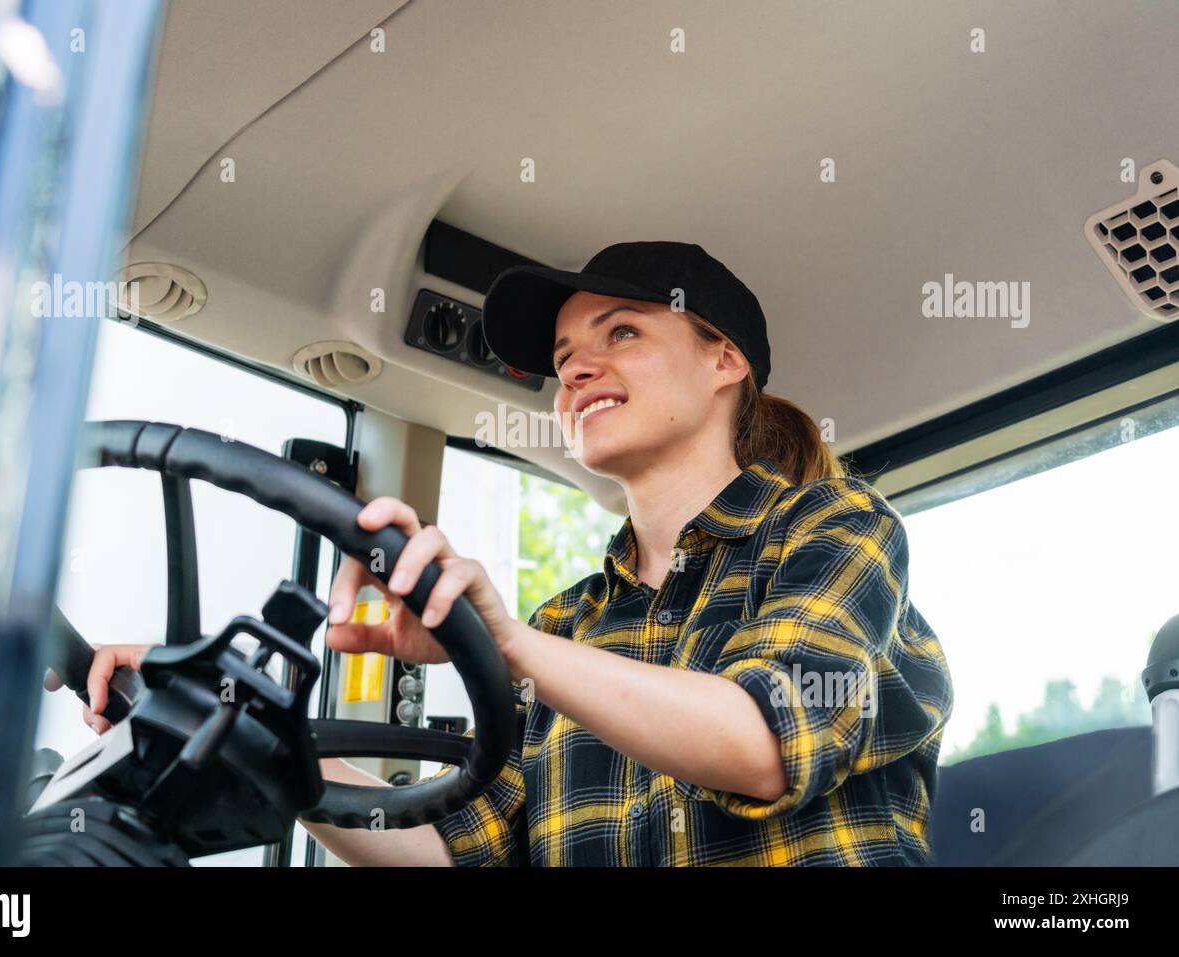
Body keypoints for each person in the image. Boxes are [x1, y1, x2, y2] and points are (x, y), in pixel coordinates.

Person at [71, 241, 953, 866]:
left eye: (621, 334)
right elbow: (448, 850)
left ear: (723, 359)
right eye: (566, 357)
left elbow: (768, 737)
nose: (576, 370)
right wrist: (240, 723)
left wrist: (513, 650)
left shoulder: (835, 529)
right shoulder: (570, 620)